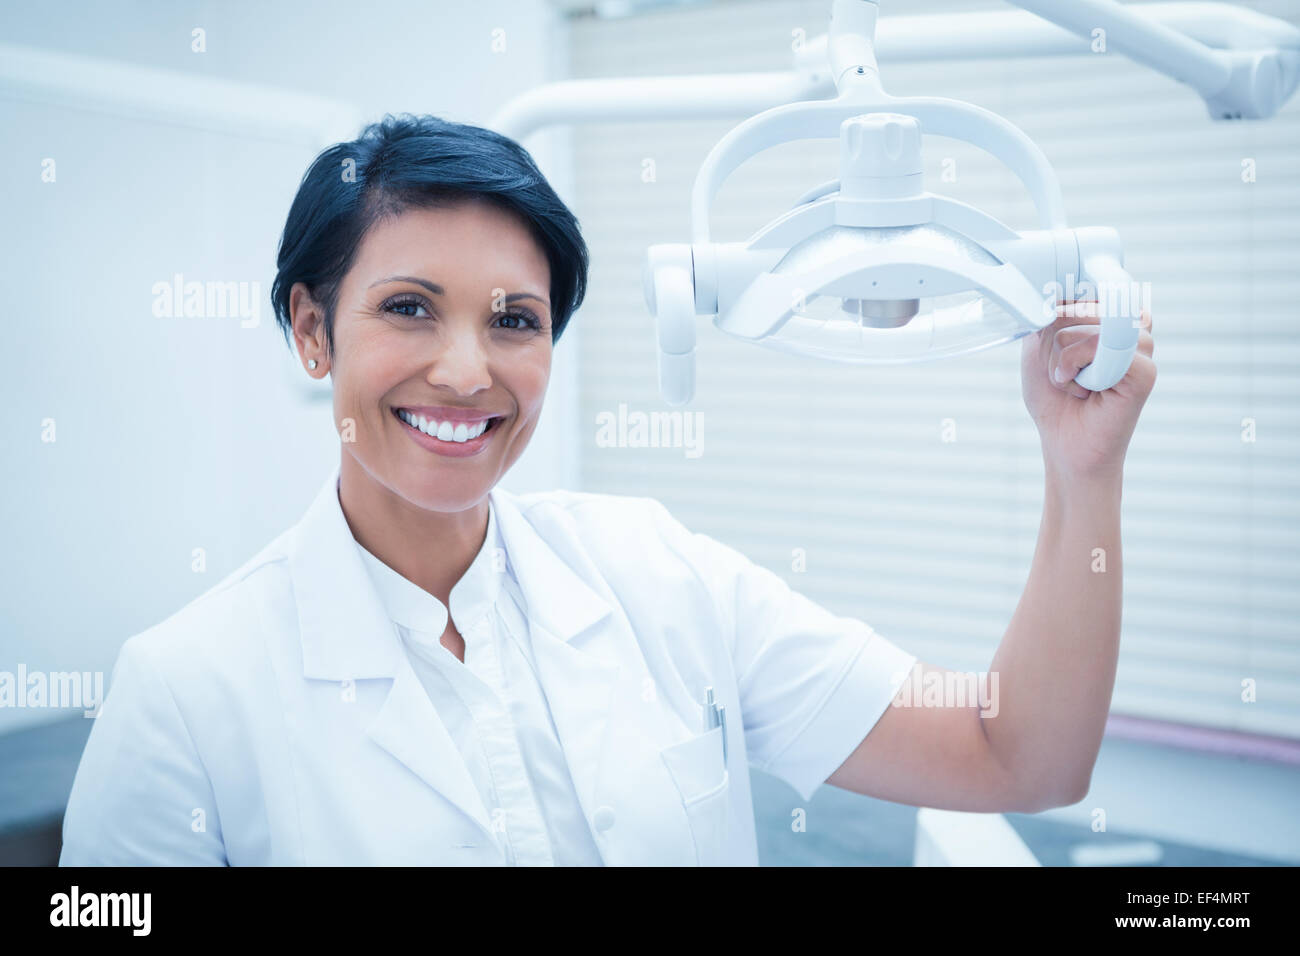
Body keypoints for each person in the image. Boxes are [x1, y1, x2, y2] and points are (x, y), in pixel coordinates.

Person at [59, 112, 1157, 866]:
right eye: (407, 307)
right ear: (311, 330)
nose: (463, 368)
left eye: (513, 320)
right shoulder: (183, 695)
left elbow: (1019, 750)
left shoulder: (659, 574)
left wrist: (1082, 468)